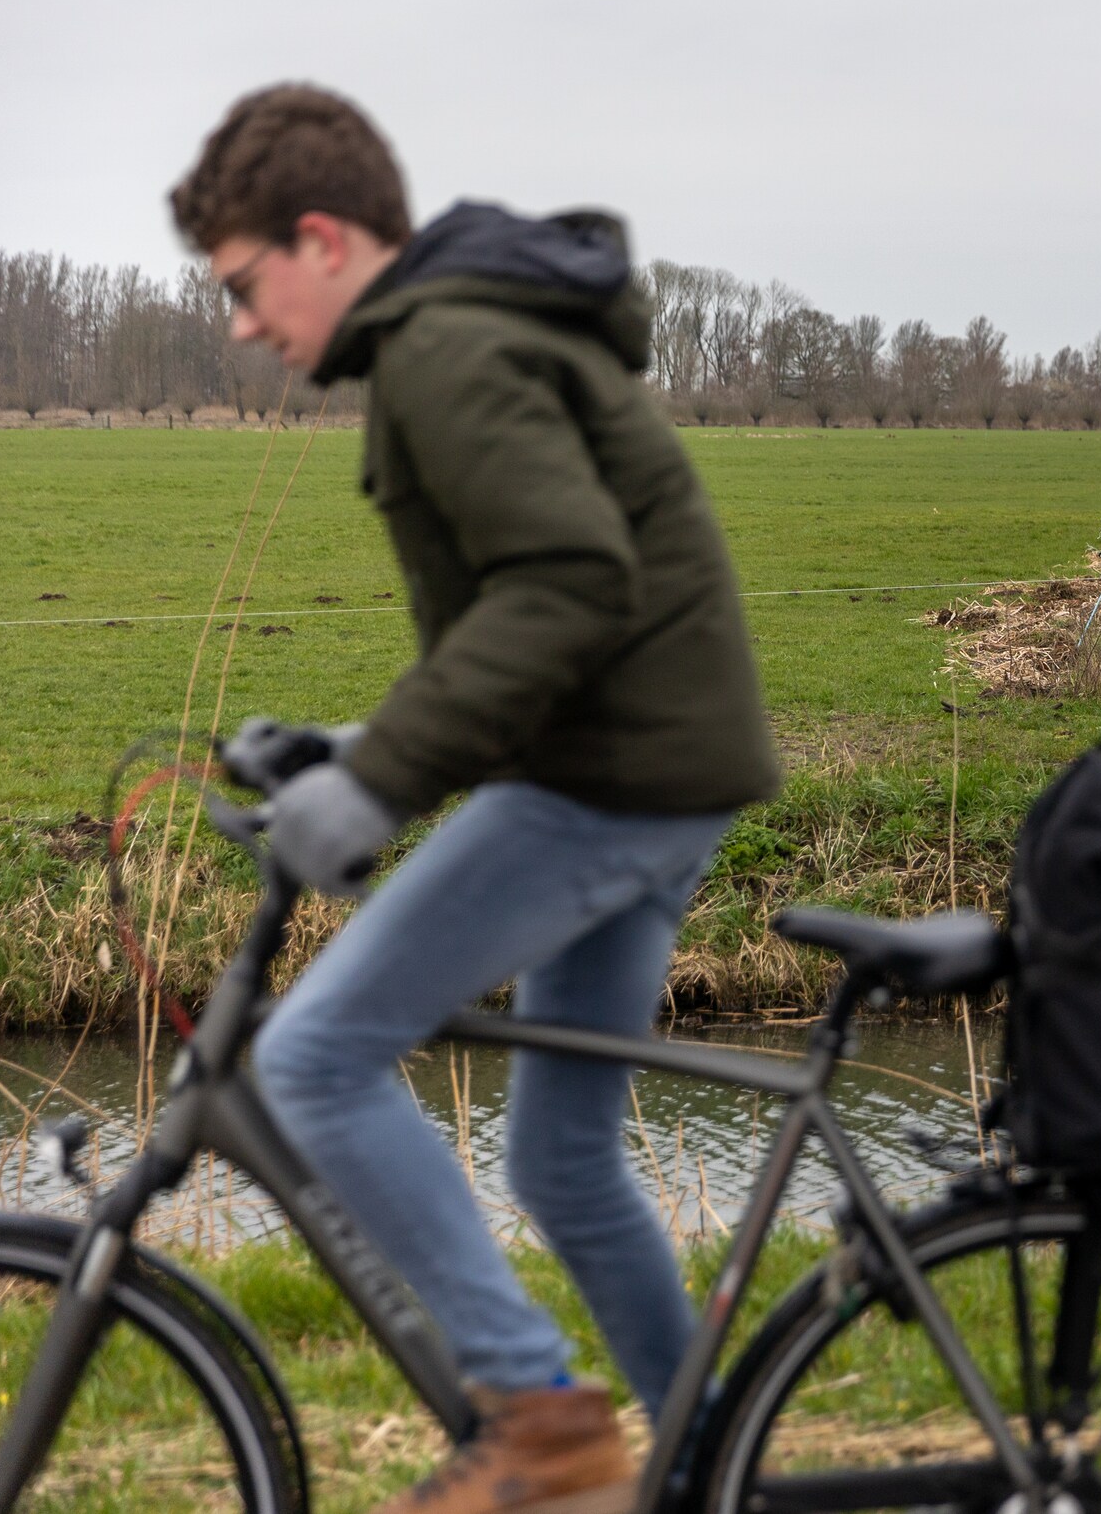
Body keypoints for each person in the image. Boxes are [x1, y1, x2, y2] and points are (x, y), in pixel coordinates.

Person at [170, 84, 780, 1514]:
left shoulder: (444, 349)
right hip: (658, 768)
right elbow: (524, 619)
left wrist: (379, 781)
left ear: (322, 238)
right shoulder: (461, 331)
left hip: (608, 783)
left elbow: (567, 586)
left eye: (247, 285)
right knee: (562, 1159)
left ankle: (542, 1427)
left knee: (310, 1057)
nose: (241, 326)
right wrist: (354, 742)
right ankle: (707, 1479)